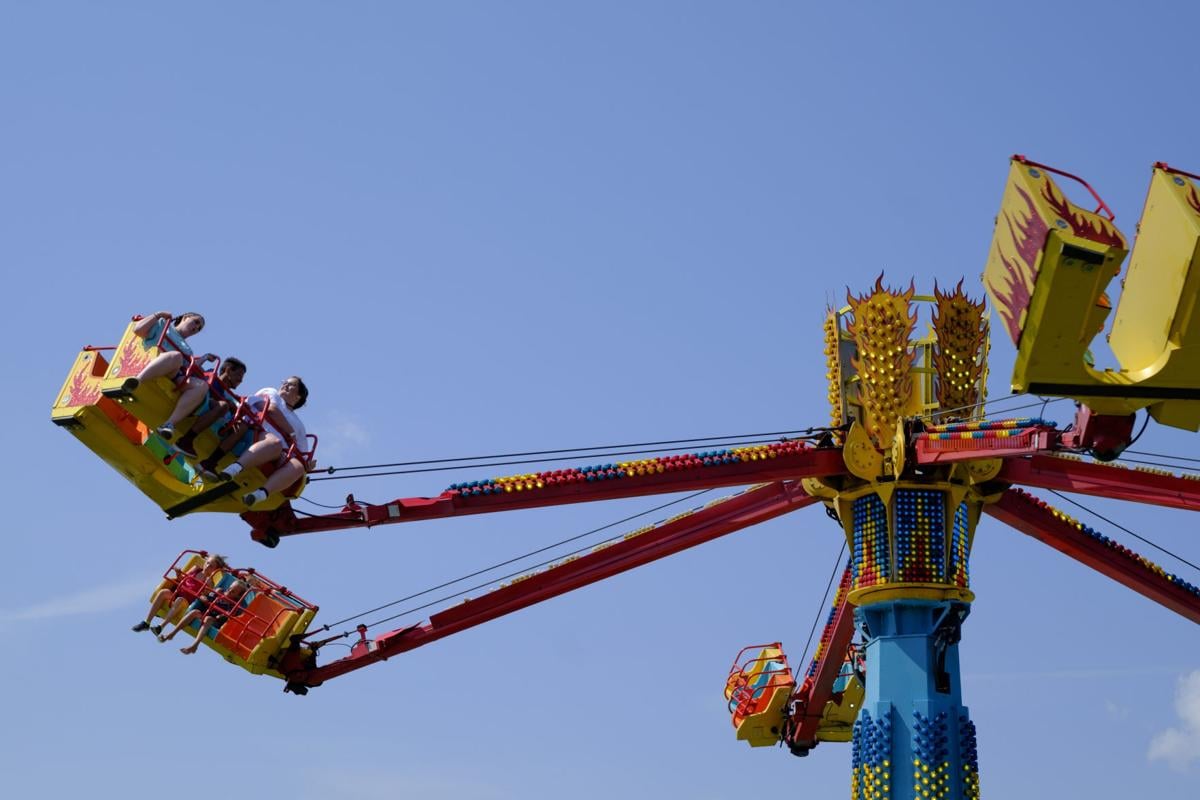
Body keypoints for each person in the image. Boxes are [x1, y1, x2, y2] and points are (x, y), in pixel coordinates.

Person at [217, 376, 316, 507]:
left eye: (291, 385)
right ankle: (234, 469)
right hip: (256, 431)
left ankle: (261, 494)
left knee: (298, 466)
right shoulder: (271, 392)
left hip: (279, 451)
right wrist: (290, 433)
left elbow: (302, 453)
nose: (285, 385)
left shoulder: (299, 425)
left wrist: (307, 465)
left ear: (298, 396)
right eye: (284, 382)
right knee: (275, 443)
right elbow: (271, 410)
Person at [120, 311, 216, 441]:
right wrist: (158, 314)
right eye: (196, 322)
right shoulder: (162, 325)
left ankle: (169, 424)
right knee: (175, 356)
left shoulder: (187, 350)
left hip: (172, 371)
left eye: (199, 329)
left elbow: (190, 369)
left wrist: (204, 358)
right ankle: (136, 381)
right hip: (150, 358)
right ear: (185, 317)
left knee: (202, 386)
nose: (196, 328)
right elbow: (138, 330)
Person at [171, 357, 248, 459]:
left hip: (205, 409)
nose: (240, 380)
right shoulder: (210, 375)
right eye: (239, 375)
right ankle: (186, 441)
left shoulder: (229, 396)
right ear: (228, 370)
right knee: (223, 406)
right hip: (196, 400)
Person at [131, 553, 226, 635]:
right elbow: (182, 579)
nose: (208, 566)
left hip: (187, 602)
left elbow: (205, 596)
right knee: (163, 592)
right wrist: (178, 573)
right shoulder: (196, 569)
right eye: (207, 563)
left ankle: (160, 627)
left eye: (211, 566)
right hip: (177, 593)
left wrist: (205, 592)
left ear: (215, 570)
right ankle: (146, 623)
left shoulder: (209, 582)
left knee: (179, 601)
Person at [157, 576, 251, 653]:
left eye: (233, 592)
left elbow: (228, 615)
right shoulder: (219, 591)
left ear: (238, 596)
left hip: (215, 621)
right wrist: (203, 598)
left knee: (208, 619)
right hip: (204, 613)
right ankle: (171, 634)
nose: (229, 591)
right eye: (230, 588)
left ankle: (194, 645)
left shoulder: (233, 604)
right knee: (195, 612)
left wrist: (222, 615)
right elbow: (204, 596)